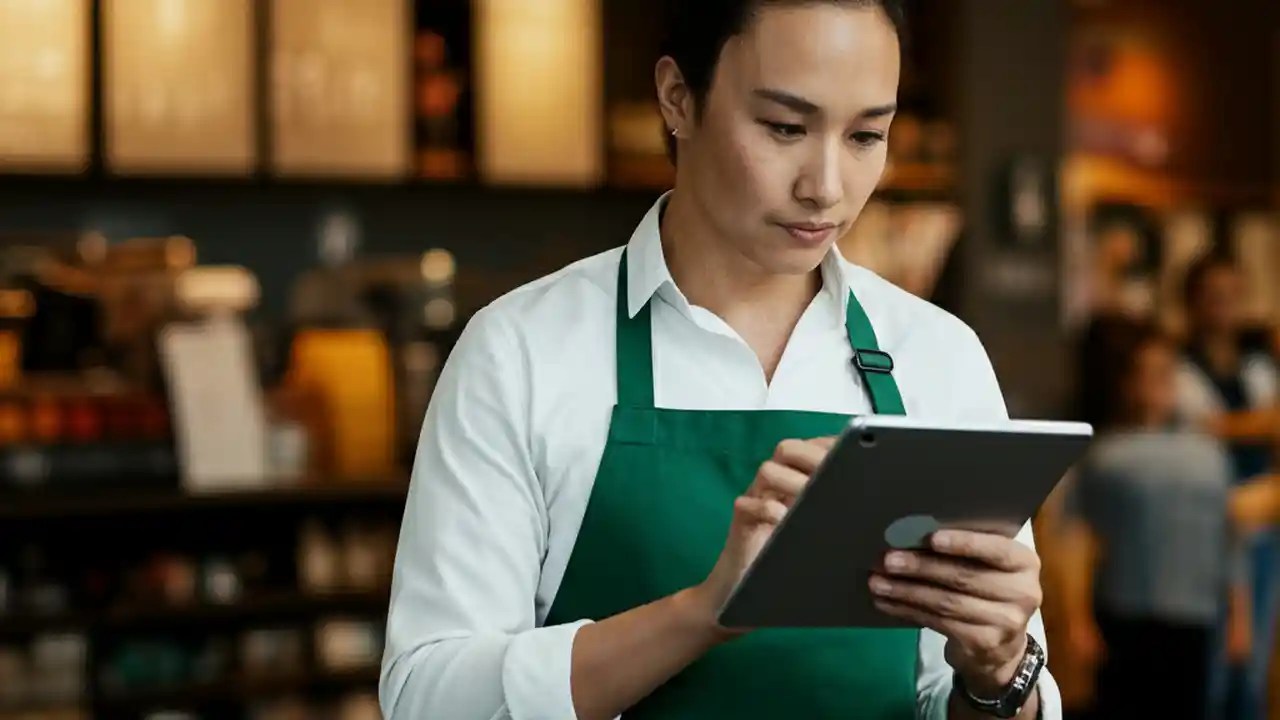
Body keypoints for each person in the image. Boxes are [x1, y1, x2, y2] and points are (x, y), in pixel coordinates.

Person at [379, 2, 1061, 718]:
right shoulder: (521, 352)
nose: (825, 185)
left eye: (866, 135)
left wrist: (999, 674)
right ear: (678, 98)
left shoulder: (937, 357)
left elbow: (953, 699)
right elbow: (428, 698)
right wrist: (704, 613)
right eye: (785, 128)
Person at [1060, 321, 1249, 720]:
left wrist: (1239, 615)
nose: (1155, 385)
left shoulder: (1209, 455)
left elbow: (1230, 538)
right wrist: (1078, 619)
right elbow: (1078, 538)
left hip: (1194, 615)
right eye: (1145, 373)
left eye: (1165, 372)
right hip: (1126, 613)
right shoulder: (1104, 455)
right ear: (1126, 382)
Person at [1175, 254, 1280, 720]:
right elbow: (1197, 428)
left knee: (1253, 661)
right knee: (1210, 658)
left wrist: (1231, 427)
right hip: (1203, 528)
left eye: (1231, 295)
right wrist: (1255, 425)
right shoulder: (1179, 367)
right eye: (1212, 295)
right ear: (1191, 301)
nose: (1223, 306)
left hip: (1259, 524)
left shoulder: (1258, 366)